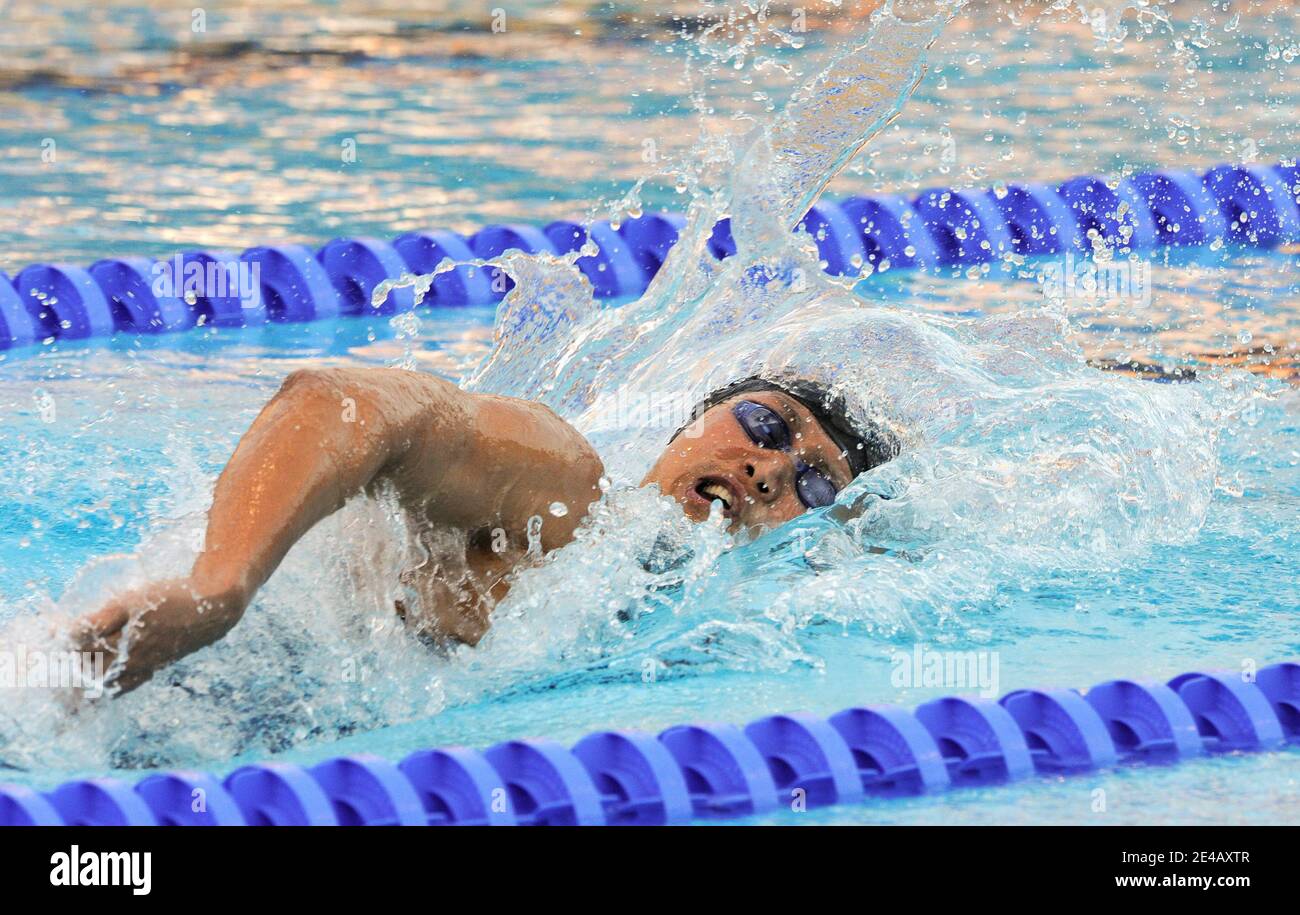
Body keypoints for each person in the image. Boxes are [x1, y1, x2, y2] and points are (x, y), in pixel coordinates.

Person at [74, 367, 896, 693]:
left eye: (815, 485)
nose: (770, 468)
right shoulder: (566, 492)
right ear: (691, 422)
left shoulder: (691, 639)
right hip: (152, 662)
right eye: (762, 422)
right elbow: (341, 403)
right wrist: (221, 586)